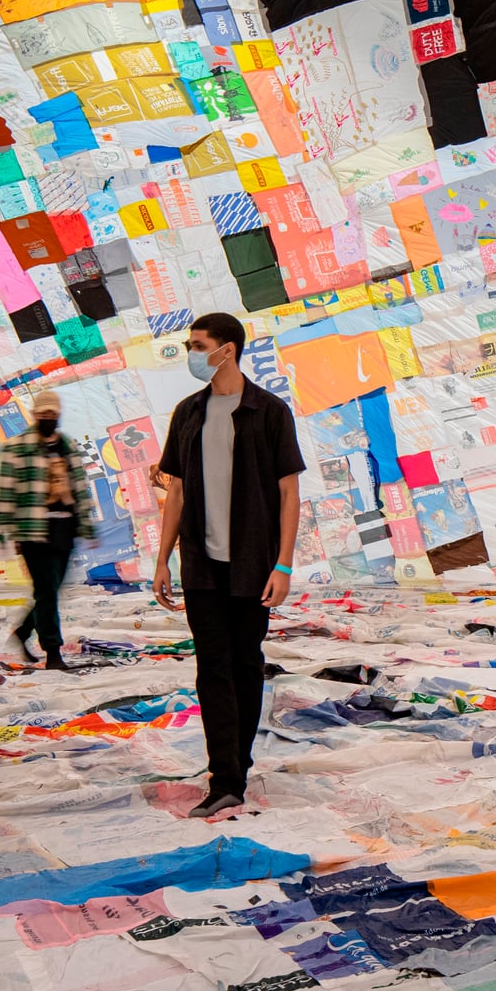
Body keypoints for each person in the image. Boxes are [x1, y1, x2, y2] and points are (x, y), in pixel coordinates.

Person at [153, 313, 305, 818]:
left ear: (228, 350)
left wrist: (282, 566)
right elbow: (174, 489)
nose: (192, 354)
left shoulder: (268, 411)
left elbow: (288, 492)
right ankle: (225, 778)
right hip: (201, 564)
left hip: (251, 561)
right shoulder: (188, 412)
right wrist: (162, 561)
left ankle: (236, 765)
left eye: (198, 345)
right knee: (211, 668)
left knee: (245, 664)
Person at [0, 391, 94, 673]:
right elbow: (5, 493)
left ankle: (23, 632)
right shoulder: (16, 448)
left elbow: (79, 486)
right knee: (47, 591)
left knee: (50, 589)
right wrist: (8, 533)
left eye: (53, 414)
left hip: (64, 527)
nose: (49, 419)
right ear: (35, 415)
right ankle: (53, 652)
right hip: (33, 529)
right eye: (44, 414)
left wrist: (85, 524)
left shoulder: (67, 446)